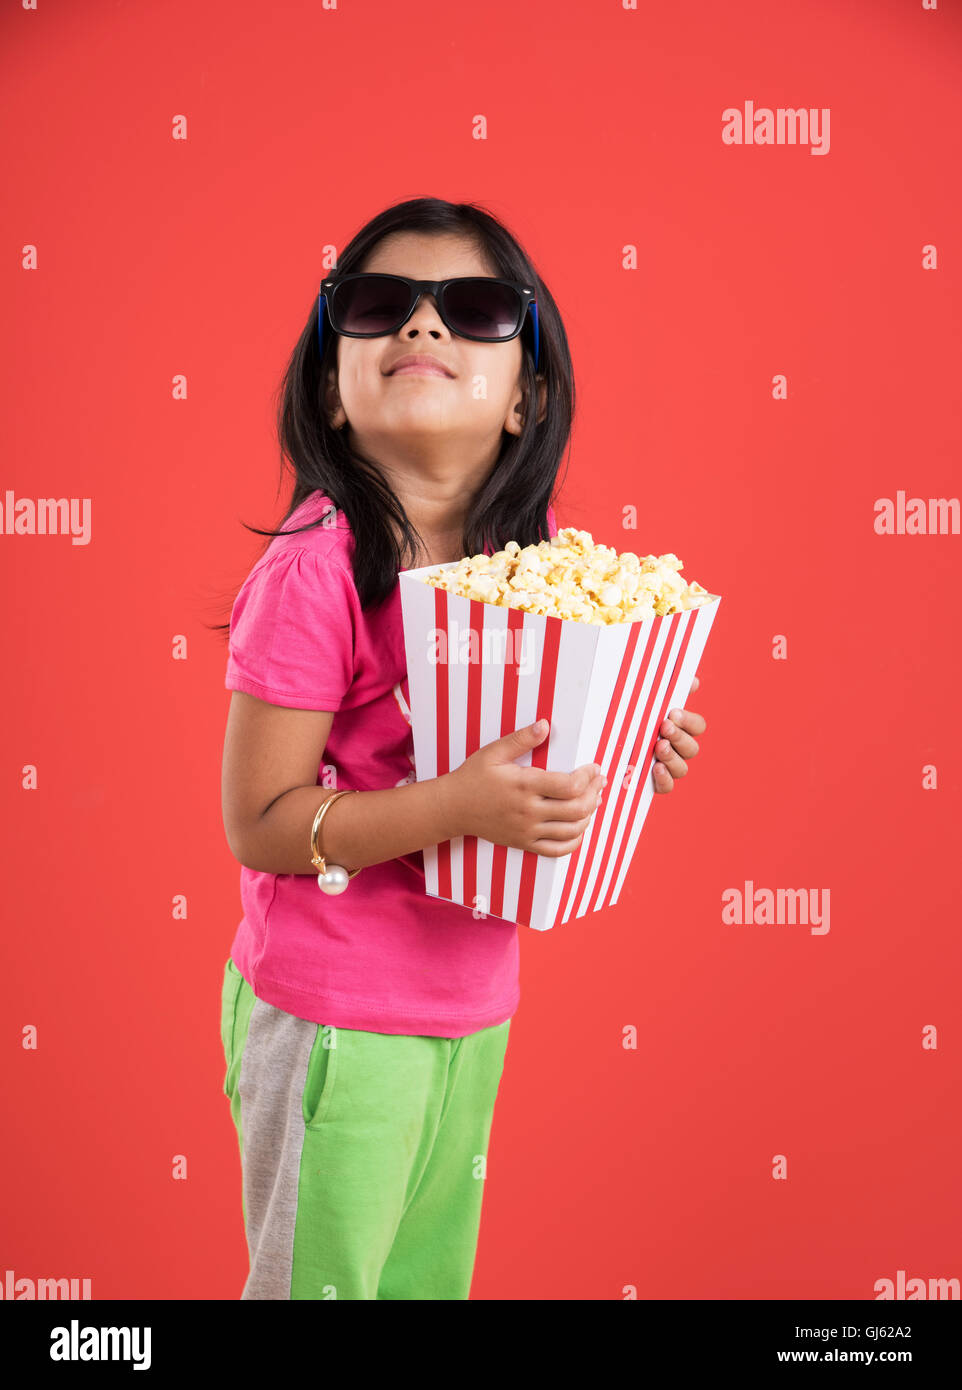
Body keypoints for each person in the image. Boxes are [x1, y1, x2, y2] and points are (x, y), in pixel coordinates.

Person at [212, 196, 706, 1301]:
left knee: (423, 1285)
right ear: (329, 397)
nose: (423, 329)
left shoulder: (518, 574)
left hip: (471, 1000)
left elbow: (521, 766)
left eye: (474, 310)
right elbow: (257, 820)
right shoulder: (317, 569)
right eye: (378, 306)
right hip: (335, 1015)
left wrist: (624, 738)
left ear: (527, 397)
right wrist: (453, 806)